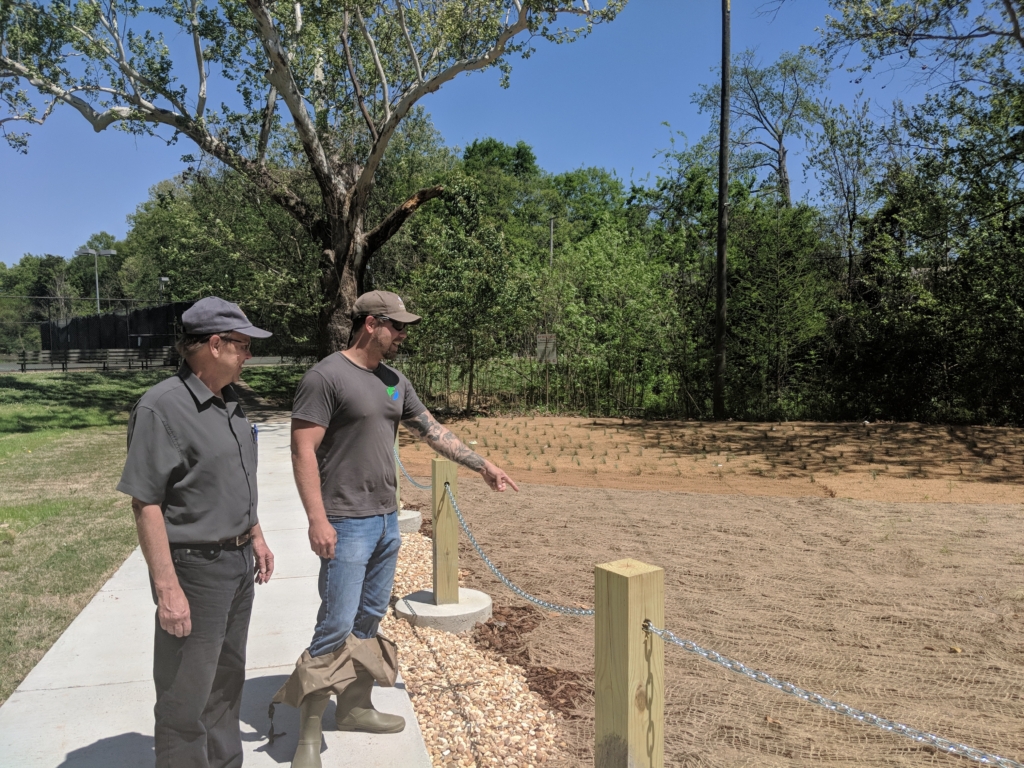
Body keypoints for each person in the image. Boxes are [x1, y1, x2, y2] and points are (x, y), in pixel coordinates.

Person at [273, 290, 518, 768]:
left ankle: (356, 707)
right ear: (370, 324)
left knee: (368, 620)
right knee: (336, 624)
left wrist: (481, 464)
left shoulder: (394, 380)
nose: (403, 335)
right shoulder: (325, 377)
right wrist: (317, 519)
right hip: (344, 521)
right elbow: (302, 450)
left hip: (386, 520)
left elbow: (431, 429)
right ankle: (309, 733)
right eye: (397, 326)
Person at [117, 296, 276, 768]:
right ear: (213, 344)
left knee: (227, 682)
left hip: (237, 564)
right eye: (243, 345)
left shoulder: (232, 402)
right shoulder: (161, 407)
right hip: (194, 570)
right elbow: (146, 503)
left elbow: (231, 482)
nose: (249, 355)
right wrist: (168, 590)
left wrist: (257, 535)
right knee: (185, 695)